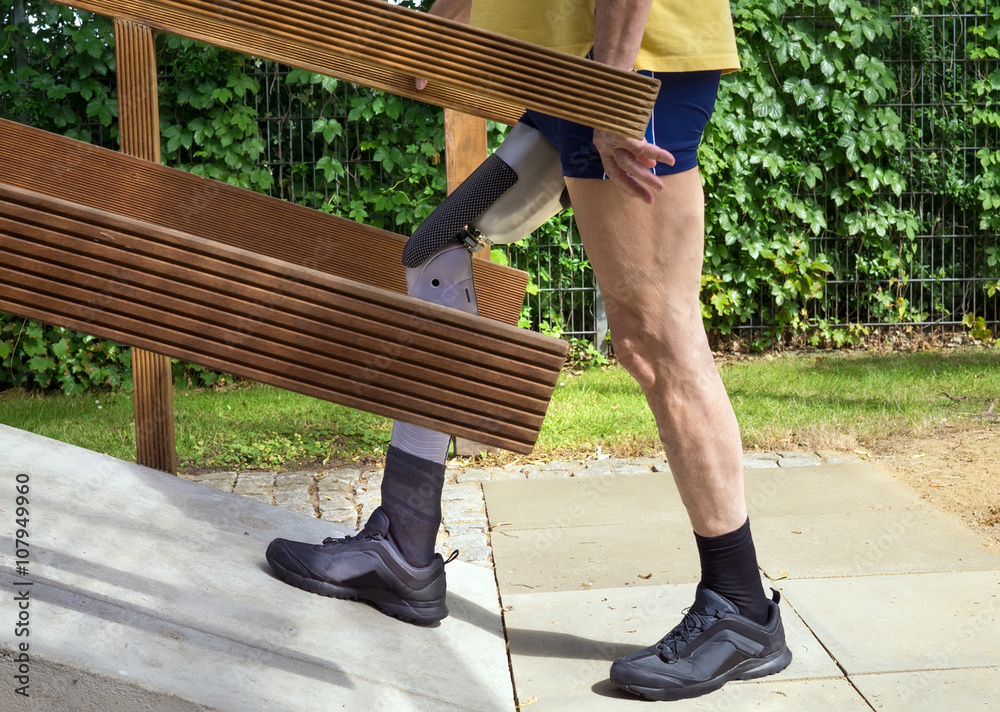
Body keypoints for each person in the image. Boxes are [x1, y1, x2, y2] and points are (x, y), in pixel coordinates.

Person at [266, 0, 792, 701]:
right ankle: (403, 543)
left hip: (629, 64)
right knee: (437, 254)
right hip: (569, 69)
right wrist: (443, 26)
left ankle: (741, 608)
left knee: (659, 339)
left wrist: (611, 84)